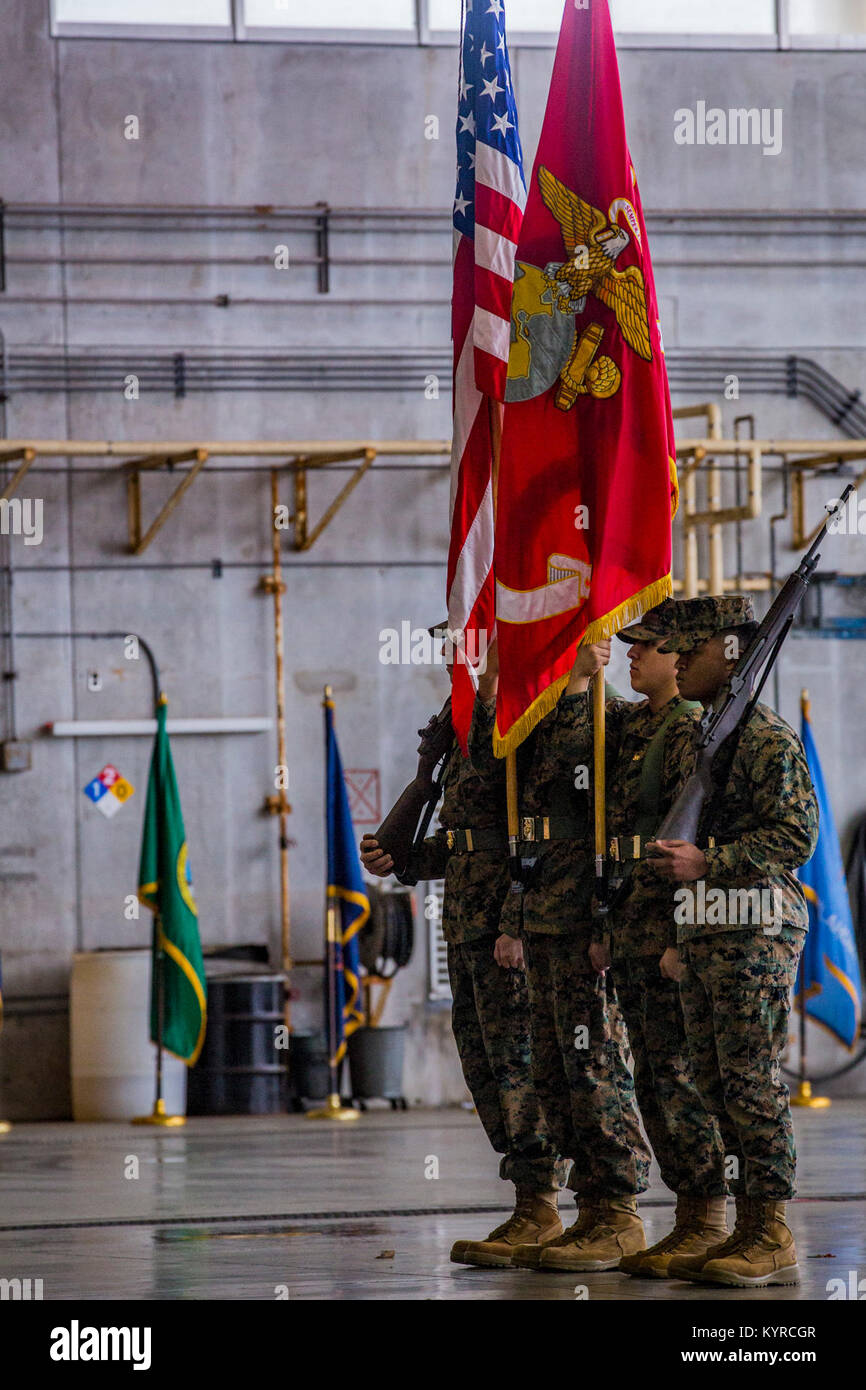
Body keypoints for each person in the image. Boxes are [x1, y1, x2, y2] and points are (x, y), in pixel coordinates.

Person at [360, 630, 568, 1268]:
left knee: (519, 1064)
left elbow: (537, 833)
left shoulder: (526, 719)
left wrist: (515, 922)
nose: (458, 653)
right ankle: (528, 1203)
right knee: (483, 1064)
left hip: (507, 928)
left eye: (471, 640)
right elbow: (467, 841)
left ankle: (543, 1205)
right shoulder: (460, 724)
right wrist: (406, 857)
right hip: (465, 922)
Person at [648, 596, 819, 1288]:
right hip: (710, 928)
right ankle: (743, 1228)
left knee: (751, 1083)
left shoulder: (766, 738)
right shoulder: (707, 734)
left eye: (689, 650)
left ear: (728, 651)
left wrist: (707, 864)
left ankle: (771, 1231)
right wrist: (680, 928)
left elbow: (795, 837)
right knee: (716, 1085)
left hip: (755, 928)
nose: (677, 661)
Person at [479, 643, 652, 1273]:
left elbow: (595, 788)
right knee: (554, 1073)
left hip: (588, 921)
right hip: (550, 917)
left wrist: (581, 684)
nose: (641, 658)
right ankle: (586, 1209)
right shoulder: (548, 717)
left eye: (657, 649)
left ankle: (618, 1211)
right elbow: (510, 797)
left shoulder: (624, 721)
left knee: (595, 1065)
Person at [586, 600, 728, 1278]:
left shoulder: (688, 730)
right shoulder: (639, 724)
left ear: (681, 659)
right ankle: (686, 1215)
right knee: (653, 1080)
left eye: (645, 648)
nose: (631, 656)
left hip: (666, 932)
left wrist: (679, 937)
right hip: (631, 925)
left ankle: (707, 1217)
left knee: (679, 1079)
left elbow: (688, 839)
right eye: (630, 647)